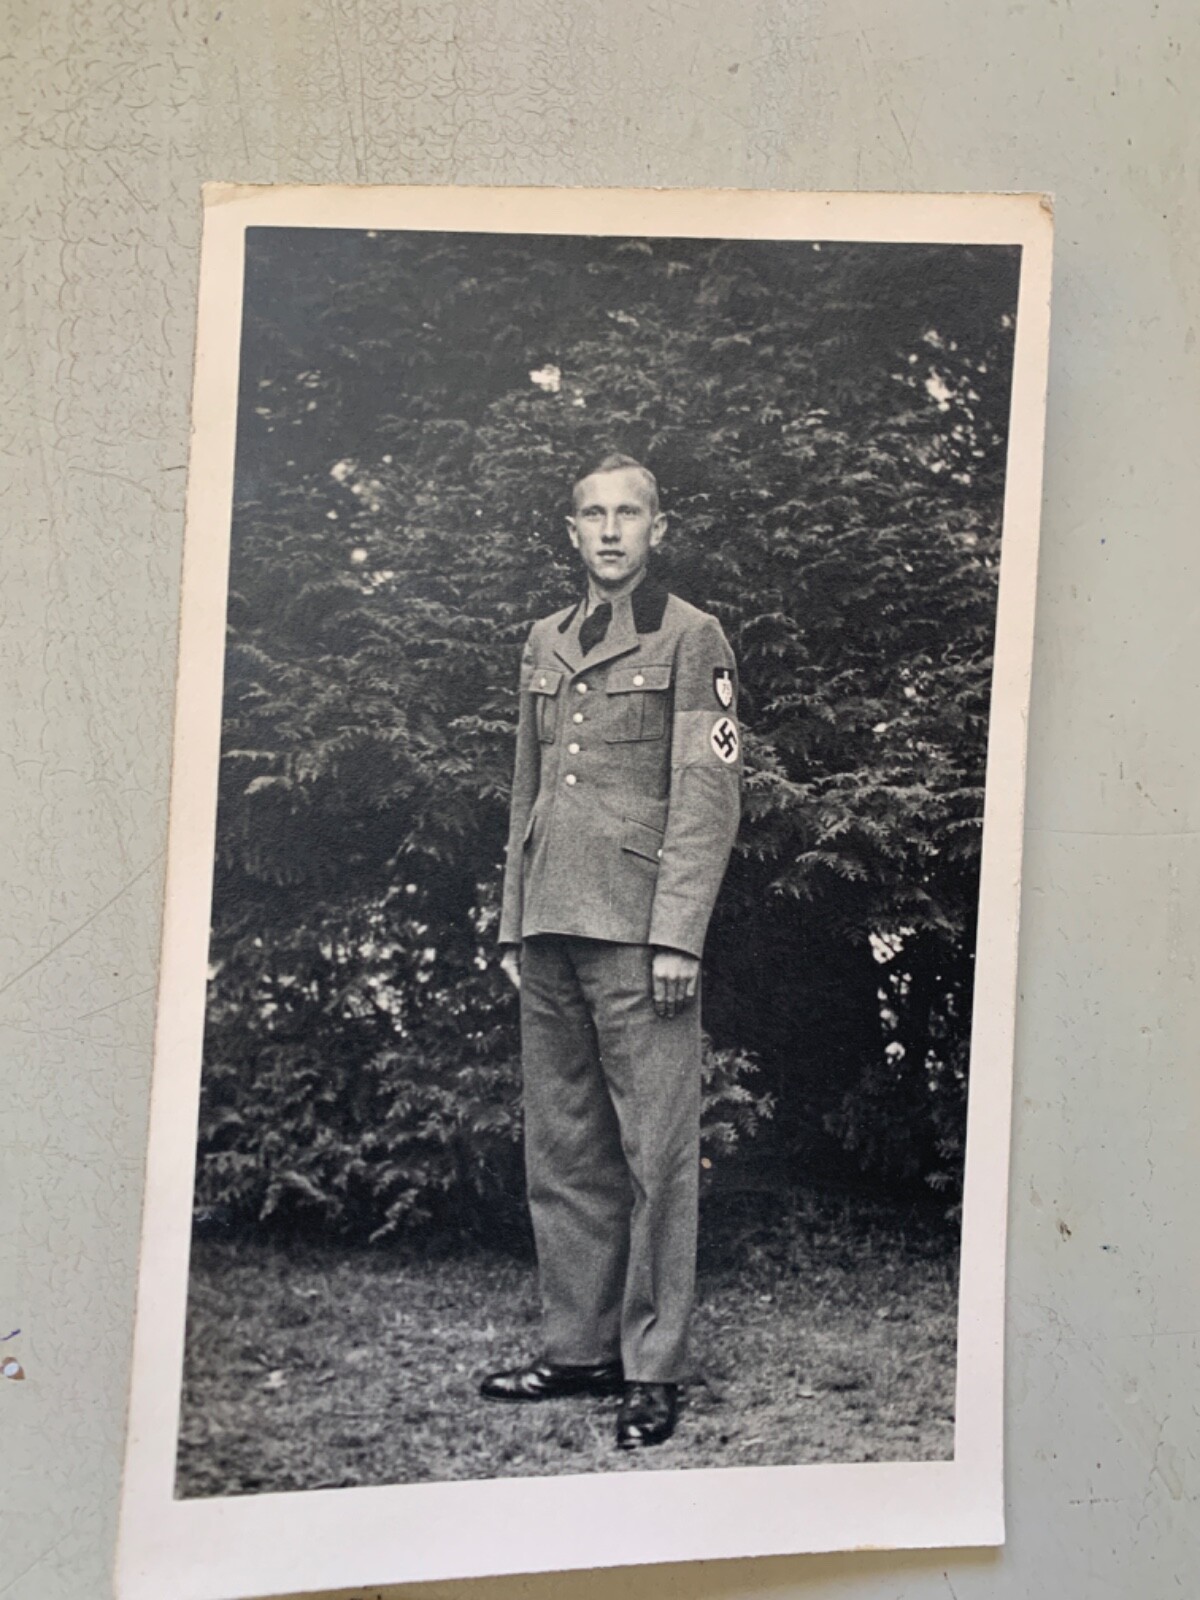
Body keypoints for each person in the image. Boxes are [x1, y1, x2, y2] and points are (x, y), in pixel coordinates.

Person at [480, 453, 742, 1450]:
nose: (611, 530)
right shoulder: (544, 641)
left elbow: (707, 798)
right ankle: (578, 1350)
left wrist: (679, 933)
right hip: (550, 924)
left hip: (639, 932)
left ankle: (652, 1366)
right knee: (564, 1147)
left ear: (657, 528)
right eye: (593, 513)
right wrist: (513, 920)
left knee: (656, 1155)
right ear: (572, 529)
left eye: (629, 513)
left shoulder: (691, 637)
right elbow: (526, 789)